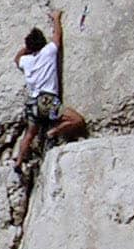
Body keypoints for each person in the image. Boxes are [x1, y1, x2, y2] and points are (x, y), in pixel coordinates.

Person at [13, 10, 86, 172]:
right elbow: (57, 37)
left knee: (30, 134)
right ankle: (53, 132)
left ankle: (18, 162)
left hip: (32, 103)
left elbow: (16, 59)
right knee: (77, 120)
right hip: (47, 101)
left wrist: (27, 48)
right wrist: (56, 18)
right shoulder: (48, 53)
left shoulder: (26, 61)